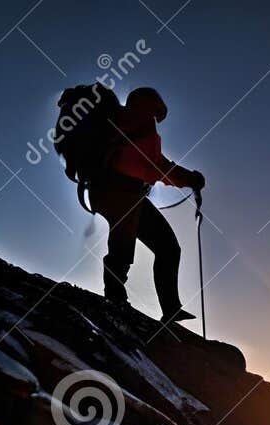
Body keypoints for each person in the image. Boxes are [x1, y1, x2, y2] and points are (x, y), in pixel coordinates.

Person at [87, 87, 205, 323]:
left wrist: (183, 178)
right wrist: (191, 179)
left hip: (109, 191)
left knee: (156, 246)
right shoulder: (139, 122)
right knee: (150, 246)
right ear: (151, 104)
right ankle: (118, 301)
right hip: (122, 192)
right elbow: (156, 166)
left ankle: (139, 302)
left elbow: (152, 165)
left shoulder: (121, 124)